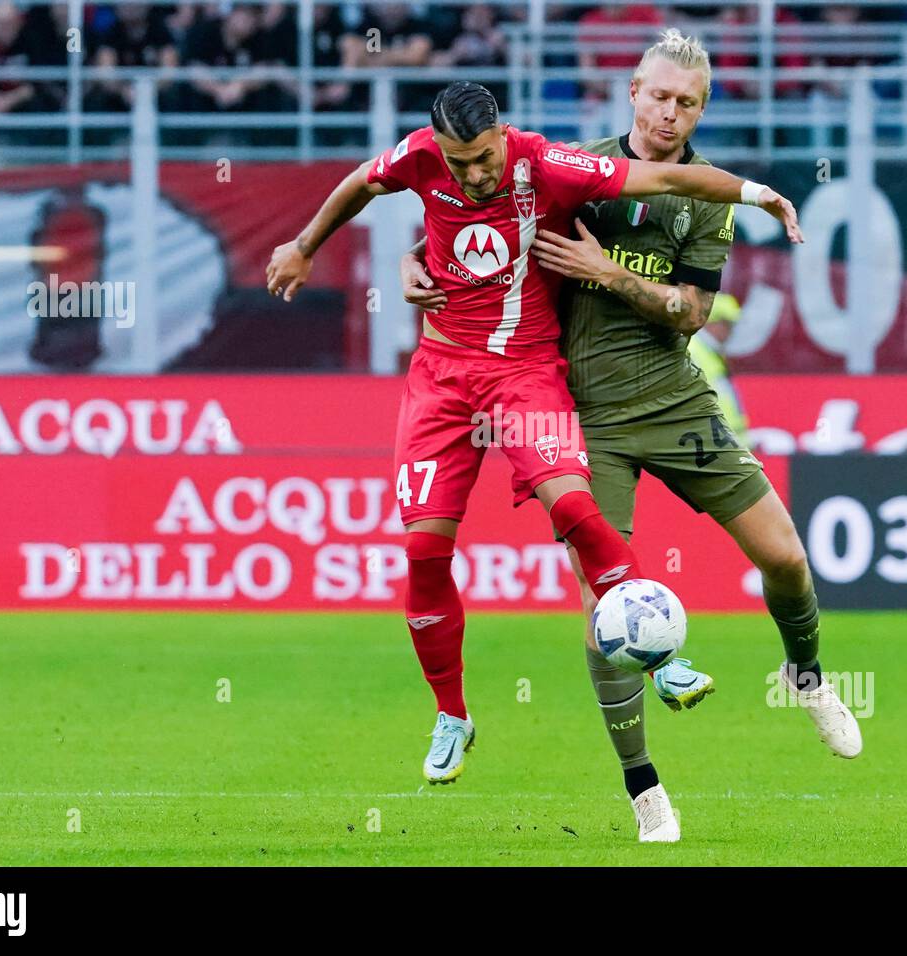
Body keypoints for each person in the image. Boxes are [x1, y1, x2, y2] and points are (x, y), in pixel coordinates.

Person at [265, 81, 803, 831]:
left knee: (574, 503)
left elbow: (673, 176)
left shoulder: (548, 164)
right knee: (423, 552)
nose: (471, 175)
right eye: (458, 163)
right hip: (442, 372)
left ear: (501, 139)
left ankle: (662, 654)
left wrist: (757, 193)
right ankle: (452, 716)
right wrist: (303, 246)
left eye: (481, 160)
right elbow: (361, 180)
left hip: (527, 372)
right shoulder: (422, 159)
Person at [400, 35, 858, 844]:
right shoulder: (570, 171)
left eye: (686, 103)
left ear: (701, 109)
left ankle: (807, 672)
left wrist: (609, 274)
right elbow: (470, 229)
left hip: (675, 398)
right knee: (605, 618)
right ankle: (645, 788)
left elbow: (693, 312)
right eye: (658, 96)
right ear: (633, 91)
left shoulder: (701, 198)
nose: (669, 114)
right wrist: (411, 267)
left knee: (785, 556)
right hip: (584, 418)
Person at [687, 291, 750, 446]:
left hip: (723, 442)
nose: (731, 331)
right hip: (714, 443)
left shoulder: (707, 350)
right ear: (712, 322)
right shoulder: (693, 351)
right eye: (728, 324)